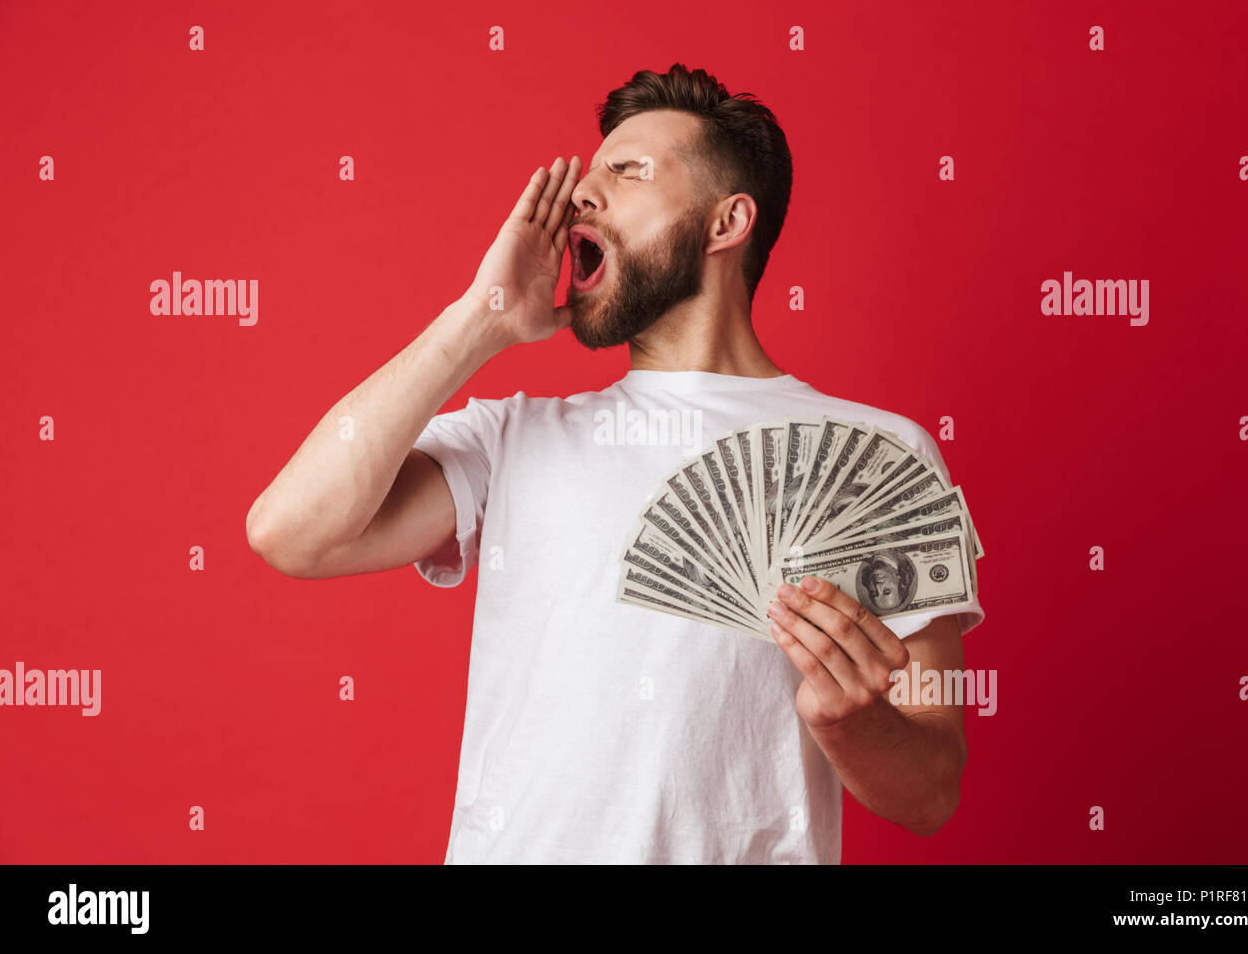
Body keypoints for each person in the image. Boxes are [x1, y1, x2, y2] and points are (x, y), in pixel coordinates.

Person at [246, 63, 985, 863]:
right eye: (589, 174)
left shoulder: (876, 455)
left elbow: (930, 792)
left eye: (627, 173)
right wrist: (478, 322)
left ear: (727, 222)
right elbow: (291, 534)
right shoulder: (513, 437)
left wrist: (854, 722)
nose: (580, 197)